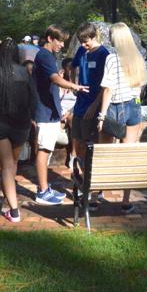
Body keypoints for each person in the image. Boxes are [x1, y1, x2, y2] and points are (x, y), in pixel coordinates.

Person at [0, 39, 38, 222]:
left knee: (6, 167)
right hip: (21, 124)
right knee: (11, 166)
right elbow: (34, 100)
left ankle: (14, 211)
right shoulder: (25, 73)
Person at [33, 25, 88, 205]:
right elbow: (54, 79)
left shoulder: (46, 56)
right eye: (60, 40)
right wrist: (74, 86)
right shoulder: (45, 56)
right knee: (44, 151)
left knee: (46, 151)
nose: (62, 45)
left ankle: (44, 188)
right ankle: (42, 192)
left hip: (49, 112)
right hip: (45, 113)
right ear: (50, 38)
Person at [96, 22, 147, 213]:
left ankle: (95, 194)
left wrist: (101, 116)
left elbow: (108, 89)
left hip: (115, 106)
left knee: (103, 153)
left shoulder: (111, 58)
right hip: (134, 105)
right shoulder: (138, 58)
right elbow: (141, 85)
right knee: (129, 154)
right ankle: (125, 200)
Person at [70, 23, 110, 168]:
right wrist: (73, 84)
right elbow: (72, 66)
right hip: (80, 103)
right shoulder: (81, 50)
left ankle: (90, 176)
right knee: (78, 138)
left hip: (94, 103)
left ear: (93, 37)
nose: (83, 45)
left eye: (86, 41)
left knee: (90, 143)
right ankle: (80, 174)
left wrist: (95, 105)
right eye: (81, 42)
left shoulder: (104, 54)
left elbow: (106, 85)